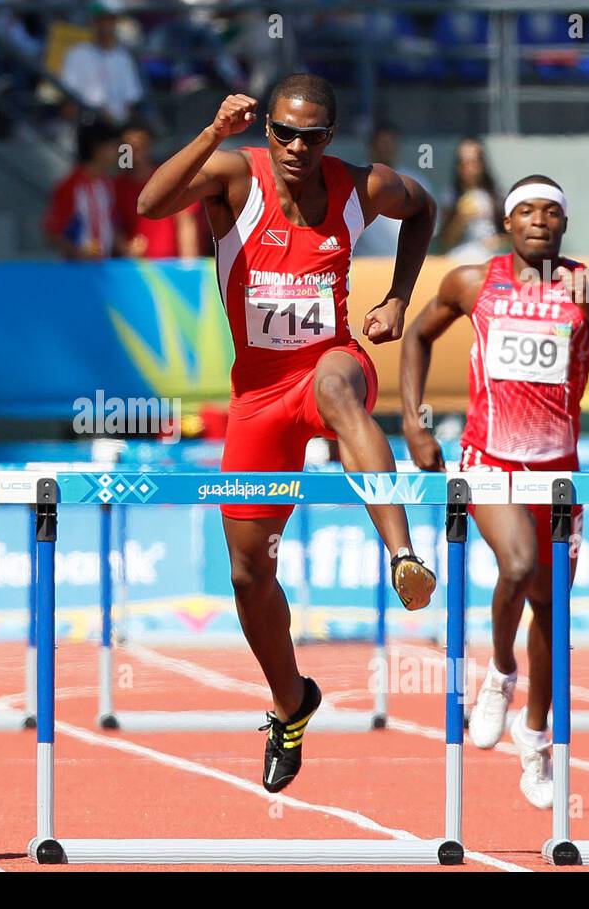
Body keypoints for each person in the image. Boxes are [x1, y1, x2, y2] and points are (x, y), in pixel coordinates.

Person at [137, 74, 439, 792]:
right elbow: (149, 201)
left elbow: (424, 208)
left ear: (330, 138)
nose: (296, 147)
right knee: (248, 571)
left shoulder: (360, 186)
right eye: (283, 133)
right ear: (266, 130)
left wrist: (398, 295)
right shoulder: (235, 176)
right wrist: (215, 130)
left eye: (311, 135)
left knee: (339, 390)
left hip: (330, 366)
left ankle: (401, 554)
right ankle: (290, 699)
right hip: (259, 394)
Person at [400, 175, 589, 808]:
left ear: (563, 225)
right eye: (526, 212)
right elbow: (418, 336)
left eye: (551, 213)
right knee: (516, 564)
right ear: (508, 224)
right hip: (486, 459)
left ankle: (534, 741)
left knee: (552, 610)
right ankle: (499, 673)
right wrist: (412, 419)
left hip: (556, 473)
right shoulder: (472, 281)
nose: (539, 220)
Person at [115, 120, 202, 259]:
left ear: (150, 146)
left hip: (169, 269)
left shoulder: (169, 179)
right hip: (131, 269)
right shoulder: (115, 186)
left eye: (141, 147)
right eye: (129, 148)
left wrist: (189, 267)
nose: (136, 154)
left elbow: (186, 222)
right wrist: (125, 249)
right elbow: (113, 226)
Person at [44, 122, 124, 260]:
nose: (118, 152)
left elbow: (110, 226)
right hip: (76, 273)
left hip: (105, 269)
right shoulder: (71, 186)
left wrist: (126, 248)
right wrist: (77, 252)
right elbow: (52, 231)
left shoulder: (108, 184)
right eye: (113, 146)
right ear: (98, 148)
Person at [58, 2, 145, 125]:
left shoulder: (123, 57)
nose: (106, 25)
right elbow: (68, 98)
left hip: (118, 126)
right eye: (101, 19)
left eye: (110, 19)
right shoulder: (77, 53)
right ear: (94, 22)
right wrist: (97, 114)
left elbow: (130, 100)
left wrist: (121, 125)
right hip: (87, 122)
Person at [352, 122, 428, 258]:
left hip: (404, 265)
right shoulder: (354, 180)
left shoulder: (416, 182)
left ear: (397, 146)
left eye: (390, 143)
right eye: (381, 143)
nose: (385, 148)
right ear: (372, 146)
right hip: (364, 264)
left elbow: (427, 227)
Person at [437, 136, 506, 262]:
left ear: (482, 163)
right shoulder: (450, 196)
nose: (469, 168)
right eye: (464, 162)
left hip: (491, 259)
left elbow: (512, 236)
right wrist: (460, 219)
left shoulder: (497, 196)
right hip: (460, 258)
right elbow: (445, 241)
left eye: (473, 162)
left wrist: (498, 241)